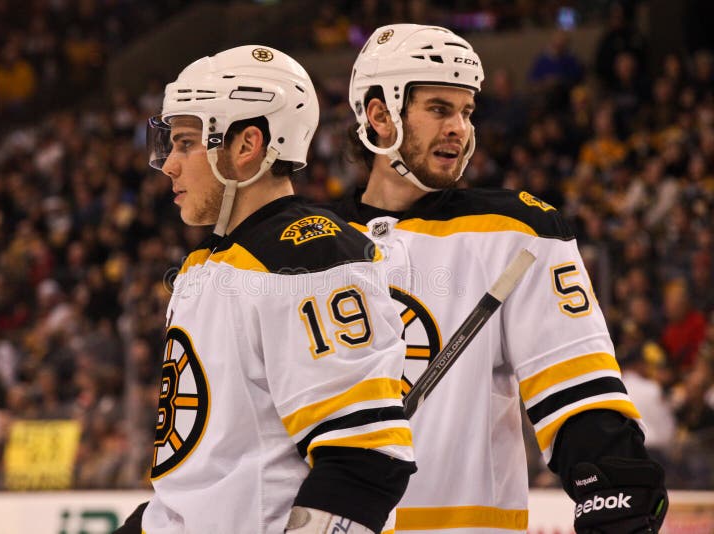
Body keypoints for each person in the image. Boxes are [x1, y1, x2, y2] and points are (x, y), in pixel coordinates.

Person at [331, 24, 667, 534]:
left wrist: (609, 476)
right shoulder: (308, 245)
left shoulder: (516, 233)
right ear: (380, 116)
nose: (459, 129)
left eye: (467, 112)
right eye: (439, 109)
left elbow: (575, 388)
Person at [115, 45, 415, 534]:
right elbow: (197, 479)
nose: (168, 164)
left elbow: (365, 460)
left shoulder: (310, 258)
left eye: (187, 143)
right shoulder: (205, 267)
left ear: (247, 144)